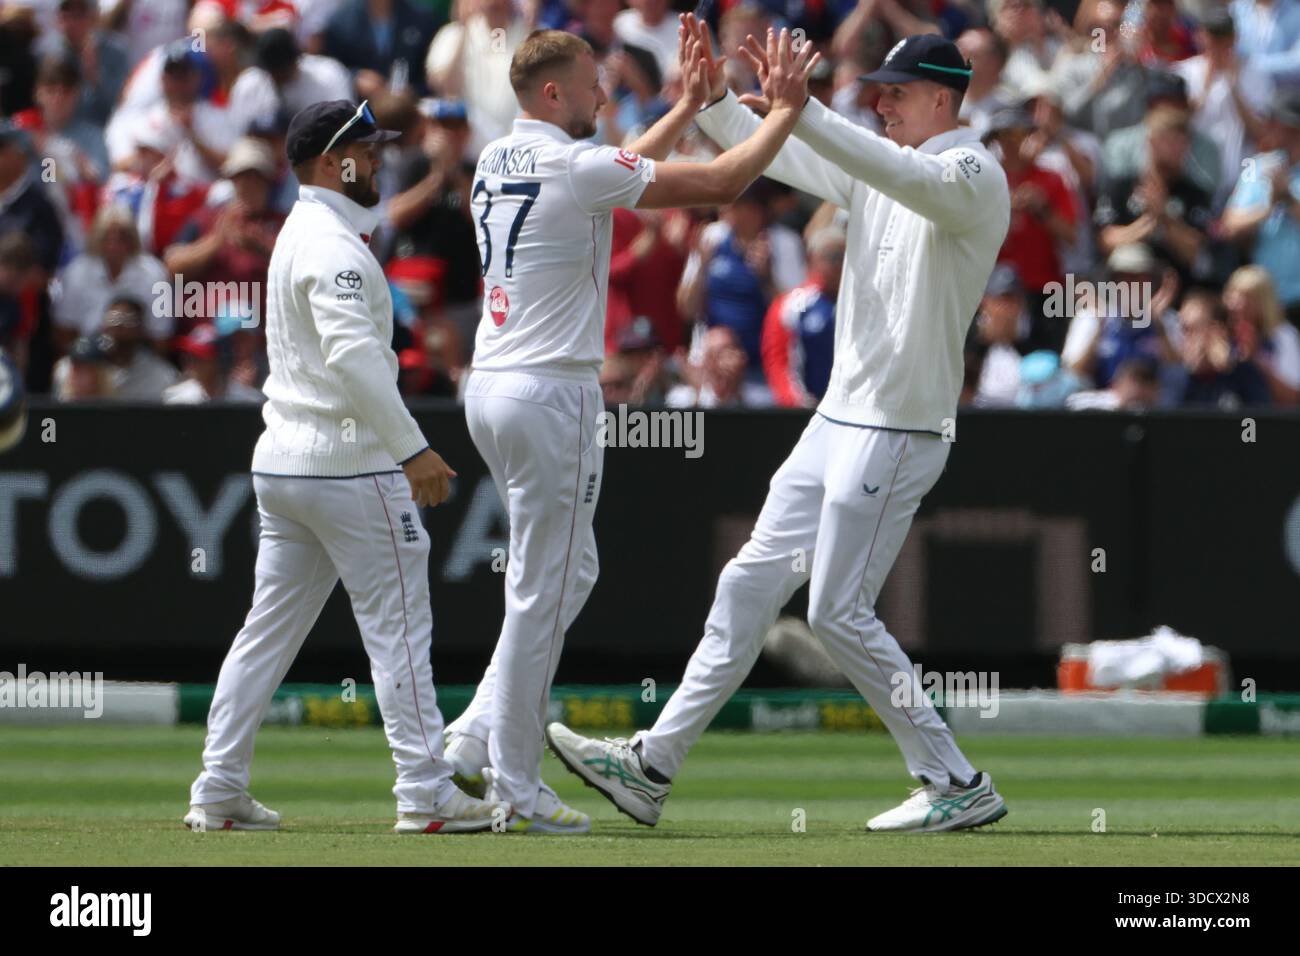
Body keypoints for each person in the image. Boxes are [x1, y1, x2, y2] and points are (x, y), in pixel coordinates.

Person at [547, 25, 1011, 833]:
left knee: (837, 613)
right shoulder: (880, 167)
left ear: (943, 97)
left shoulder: (974, 172)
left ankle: (956, 779)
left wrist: (806, 108)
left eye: (896, 93)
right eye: (879, 93)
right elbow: (788, 156)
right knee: (749, 583)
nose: (882, 104)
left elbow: (889, 165)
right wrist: (721, 103)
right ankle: (651, 767)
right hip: (839, 419)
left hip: (900, 427)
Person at [439, 24, 820, 834]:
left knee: (566, 574)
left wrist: (686, 104)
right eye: (589, 86)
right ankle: (518, 786)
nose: (603, 97)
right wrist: (788, 110)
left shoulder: (500, 158)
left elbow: (616, 175)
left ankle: (470, 741)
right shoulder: (574, 166)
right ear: (552, 94)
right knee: (543, 590)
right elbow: (722, 180)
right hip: (552, 394)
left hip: (491, 389)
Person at [186, 99, 506, 834]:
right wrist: (412, 450)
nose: (382, 158)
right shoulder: (332, 245)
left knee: (266, 632)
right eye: (368, 147)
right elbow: (355, 359)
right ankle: (425, 791)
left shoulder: (310, 232)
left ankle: (218, 785)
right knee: (398, 628)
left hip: (289, 466)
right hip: (347, 468)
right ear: (333, 163)